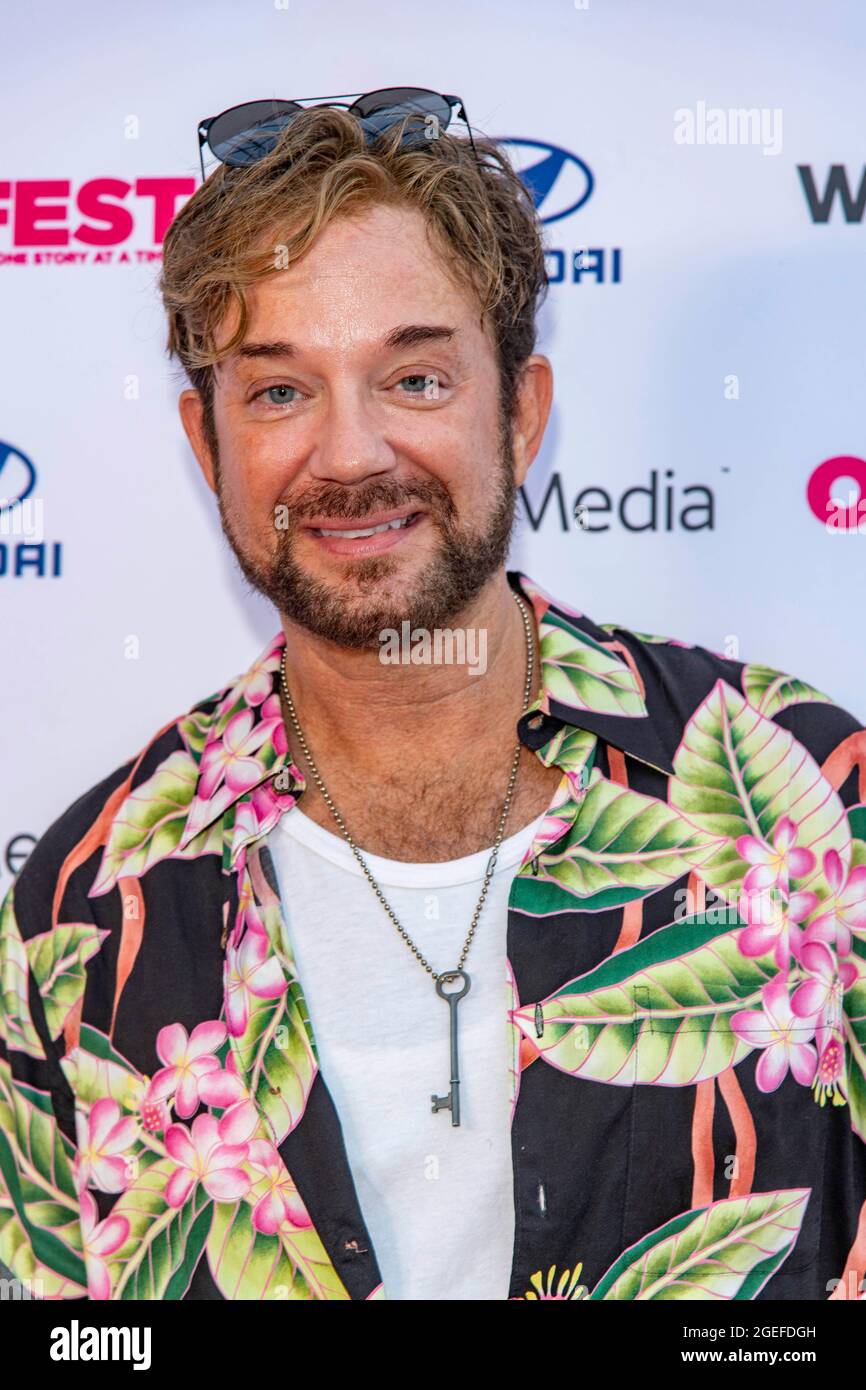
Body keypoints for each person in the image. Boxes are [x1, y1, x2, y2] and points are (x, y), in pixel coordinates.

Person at [1, 95, 865, 1304]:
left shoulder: (812, 810)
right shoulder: (83, 911)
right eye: (279, 391)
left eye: (411, 377)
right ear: (207, 446)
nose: (349, 454)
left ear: (518, 409)